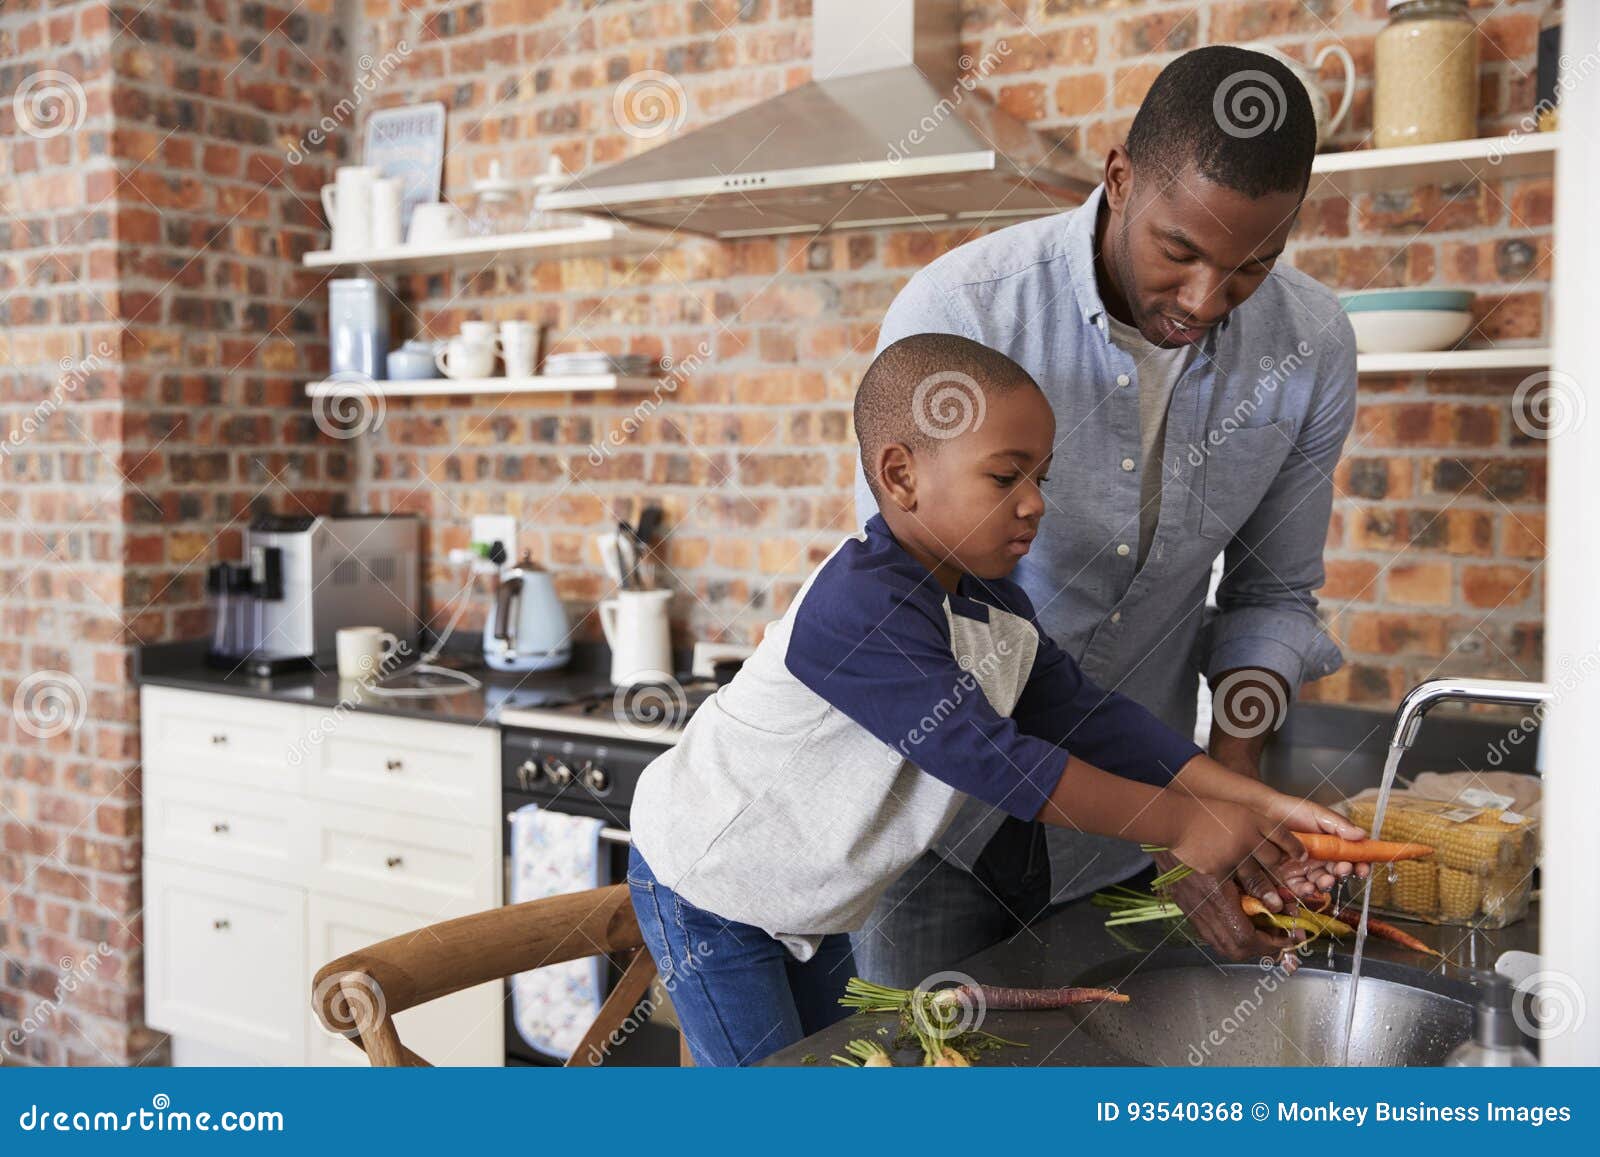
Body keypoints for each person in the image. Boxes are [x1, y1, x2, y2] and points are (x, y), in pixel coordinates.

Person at [626, 333, 1364, 1066]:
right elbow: (999, 763)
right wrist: (1182, 822)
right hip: (710, 885)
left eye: (1042, 478)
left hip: (801, 899)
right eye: (1006, 477)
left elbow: (1085, 718)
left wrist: (1257, 801)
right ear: (901, 476)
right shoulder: (861, 605)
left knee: (827, 1078)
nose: (1035, 504)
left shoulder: (990, 605)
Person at [852, 45, 1361, 983]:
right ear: (1120, 179)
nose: (1206, 300)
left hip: (1129, 847)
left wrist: (1228, 803)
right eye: (1180, 251)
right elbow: (909, 603)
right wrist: (1183, 816)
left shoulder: (1312, 344)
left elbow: (1273, 593)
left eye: (1253, 266)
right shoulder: (964, 311)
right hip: (939, 832)